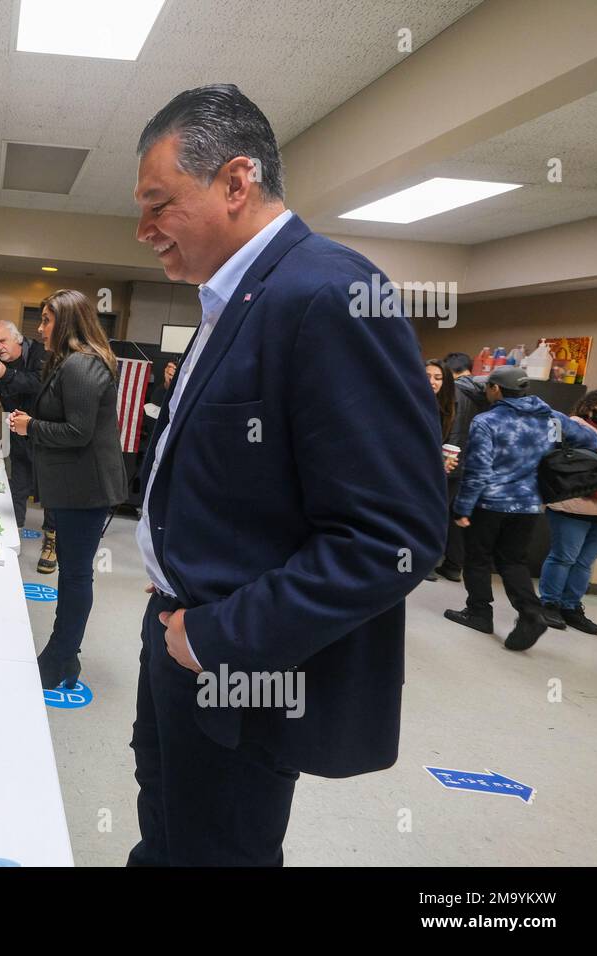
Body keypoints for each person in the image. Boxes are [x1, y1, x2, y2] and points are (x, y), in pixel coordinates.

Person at [130, 84, 447, 866]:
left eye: (160, 204)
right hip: (177, 631)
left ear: (236, 183)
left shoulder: (330, 294)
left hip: (236, 664)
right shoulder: (229, 302)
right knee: (166, 834)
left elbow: (393, 537)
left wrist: (213, 638)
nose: (144, 231)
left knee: (216, 850)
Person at [8, 291, 126, 690]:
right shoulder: (70, 364)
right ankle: (65, 657)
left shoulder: (81, 365)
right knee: (74, 575)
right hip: (75, 488)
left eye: (45, 320)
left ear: (68, 322)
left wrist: (31, 427)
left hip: (85, 489)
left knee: (76, 577)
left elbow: (79, 431)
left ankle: (59, 658)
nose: (39, 329)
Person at [445, 366, 597, 650]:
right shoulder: (550, 417)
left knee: (478, 558)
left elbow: (477, 472)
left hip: (490, 502)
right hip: (529, 504)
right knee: (512, 560)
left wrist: (462, 508)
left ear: (495, 389)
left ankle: (479, 613)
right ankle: (531, 612)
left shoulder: (487, 421)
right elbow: (591, 440)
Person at [0, 319, 56, 572]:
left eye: (2, 341)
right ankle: (12, 538)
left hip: (46, 431)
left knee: (49, 489)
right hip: (18, 432)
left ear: (17, 339)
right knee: (18, 484)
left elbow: (39, 384)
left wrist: (7, 374)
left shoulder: (41, 354)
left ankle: (51, 540)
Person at [538, 389, 597, 634]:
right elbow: (560, 463)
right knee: (564, 557)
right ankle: (549, 604)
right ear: (589, 406)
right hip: (571, 506)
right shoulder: (572, 426)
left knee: (585, 562)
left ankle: (571, 606)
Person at [436, 352, 487, 581]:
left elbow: (454, 430)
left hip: (450, 461)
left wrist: (445, 460)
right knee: (457, 515)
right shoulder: (485, 393)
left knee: (435, 513)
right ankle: (454, 565)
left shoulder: (454, 392)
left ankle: (427, 565)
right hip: (473, 463)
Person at [423, 358, 459, 581]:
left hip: (432, 472)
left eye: (438, 378)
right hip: (410, 471)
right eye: (427, 376)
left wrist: (445, 461)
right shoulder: (410, 402)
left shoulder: (446, 409)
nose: (432, 382)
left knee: (433, 517)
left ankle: (426, 564)